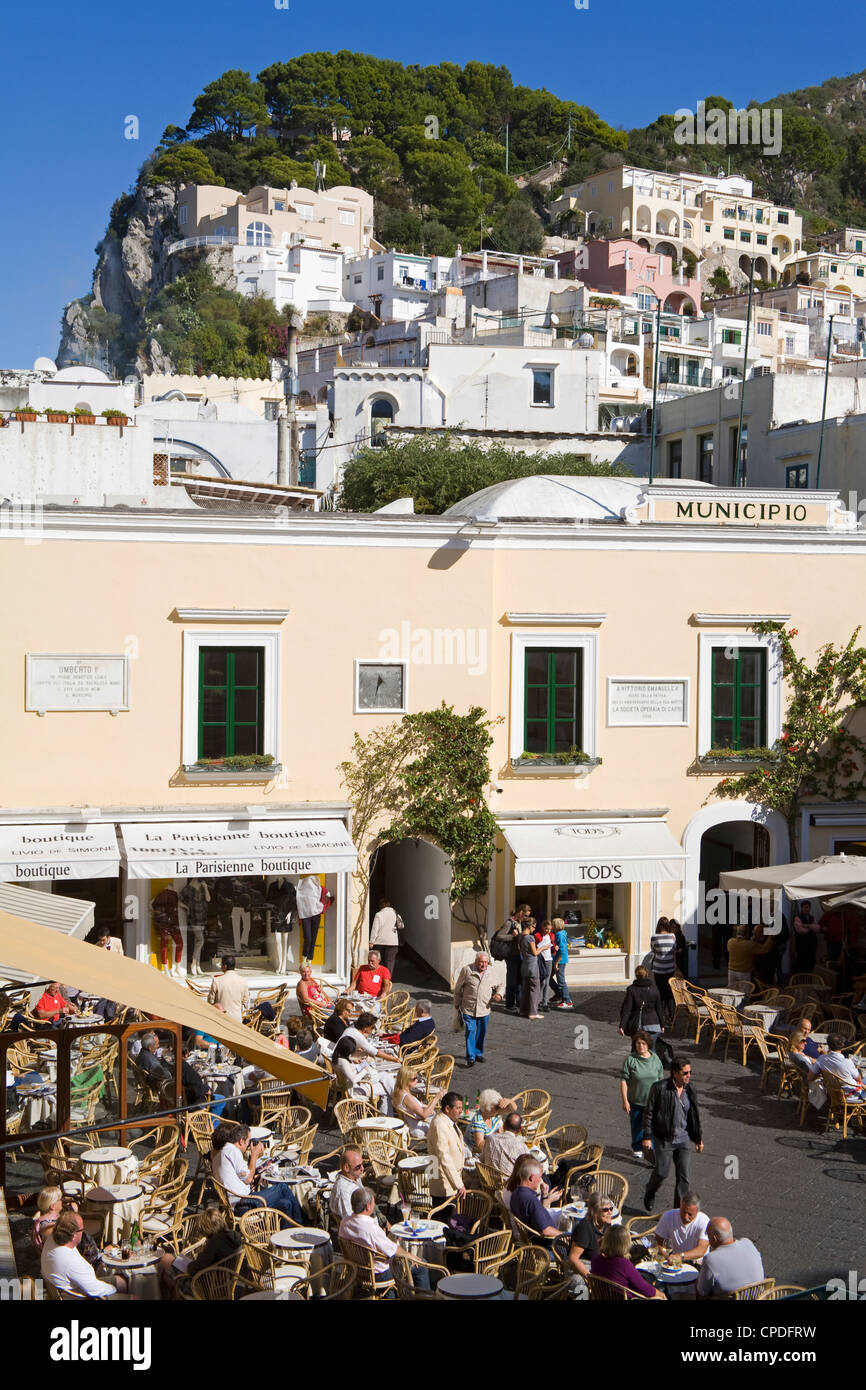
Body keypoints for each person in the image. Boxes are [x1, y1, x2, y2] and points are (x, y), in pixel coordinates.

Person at [642, 1057, 703, 1212]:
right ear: (675, 1073)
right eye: (685, 1073)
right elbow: (648, 1113)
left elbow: (694, 1115)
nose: (688, 1076)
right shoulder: (659, 1088)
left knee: (684, 1177)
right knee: (662, 1172)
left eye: (690, 1072)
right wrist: (647, 1137)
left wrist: (697, 1138)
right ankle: (650, 1190)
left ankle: (678, 1212)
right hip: (664, 1138)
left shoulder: (690, 1089)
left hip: (683, 1139)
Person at [211, 1122, 305, 1223]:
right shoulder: (232, 1151)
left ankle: (285, 1234)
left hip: (236, 1203)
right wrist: (254, 1155)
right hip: (243, 1204)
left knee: (286, 1204)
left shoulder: (219, 1156)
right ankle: (300, 1223)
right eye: (248, 1142)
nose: (248, 1145)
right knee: (282, 1188)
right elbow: (248, 1179)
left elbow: (240, 1178)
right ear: (241, 1141)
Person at [339, 1187, 427, 1290]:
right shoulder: (371, 1228)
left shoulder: (344, 1222)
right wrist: (410, 1256)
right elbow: (394, 1250)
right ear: (368, 1207)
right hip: (378, 1274)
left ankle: (392, 1293)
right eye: (373, 1203)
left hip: (356, 1270)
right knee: (421, 1266)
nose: (374, 1205)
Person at [40, 1211, 122, 1298]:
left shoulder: (51, 1239)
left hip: (78, 1285)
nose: (83, 1232)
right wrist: (114, 1289)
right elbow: (95, 1290)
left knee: (122, 1281)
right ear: (74, 1235)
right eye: (82, 1229)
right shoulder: (71, 1262)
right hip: (85, 1294)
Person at [620, 1030, 664, 1160]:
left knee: (652, 1126)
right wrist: (625, 1101)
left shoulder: (655, 1058)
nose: (641, 1046)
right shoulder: (630, 1060)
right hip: (636, 1100)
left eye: (643, 1043)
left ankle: (651, 1148)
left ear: (648, 1044)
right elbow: (624, 1081)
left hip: (653, 1101)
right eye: (638, 1043)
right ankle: (638, 1147)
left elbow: (660, 1078)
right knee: (637, 1125)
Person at [590, 1224, 665, 1300]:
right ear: (625, 1244)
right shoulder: (623, 1264)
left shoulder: (596, 1260)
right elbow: (647, 1291)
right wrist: (661, 1294)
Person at [453, 951, 502, 1067]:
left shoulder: (491, 971)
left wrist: (499, 994)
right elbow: (458, 988)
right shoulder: (467, 970)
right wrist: (456, 1002)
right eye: (481, 962)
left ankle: (478, 1053)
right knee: (470, 1030)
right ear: (476, 961)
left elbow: (501, 984)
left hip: (484, 1008)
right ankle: (470, 1057)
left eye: (486, 962)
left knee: (481, 1032)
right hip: (469, 1008)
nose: (483, 965)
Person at [696, 1217, 764, 1298]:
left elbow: (702, 1292)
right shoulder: (748, 1243)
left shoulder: (711, 1259)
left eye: (708, 1235)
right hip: (759, 1296)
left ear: (714, 1238)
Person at [509, 1156, 561, 1244]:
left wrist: (544, 1196)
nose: (541, 1180)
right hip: (548, 1244)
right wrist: (565, 1235)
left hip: (532, 1238)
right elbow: (546, 1231)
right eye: (540, 1177)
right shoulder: (531, 1200)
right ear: (531, 1178)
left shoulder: (516, 1193)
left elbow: (536, 1214)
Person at [427, 1092, 467, 1204]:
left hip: (450, 1180)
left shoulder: (448, 1121)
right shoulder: (439, 1125)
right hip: (443, 1182)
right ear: (447, 1109)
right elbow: (443, 1156)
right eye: (458, 1108)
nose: (461, 1111)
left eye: (461, 1108)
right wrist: (458, 1184)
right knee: (444, 1217)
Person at [332, 1034, 391, 1107]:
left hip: (349, 1087)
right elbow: (353, 1079)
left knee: (384, 1076)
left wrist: (355, 1061)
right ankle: (399, 1098)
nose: (352, 1054)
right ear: (346, 1051)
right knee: (386, 1089)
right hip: (353, 1091)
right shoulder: (343, 1062)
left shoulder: (337, 1058)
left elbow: (347, 1066)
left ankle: (386, 1113)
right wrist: (365, 1070)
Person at [568, 1192, 617, 1279]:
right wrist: (591, 1279)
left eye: (611, 1208)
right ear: (594, 1211)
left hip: (600, 1264)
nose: (609, 1212)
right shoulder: (584, 1228)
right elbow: (573, 1259)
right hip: (583, 1267)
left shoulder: (605, 1225)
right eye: (605, 1210)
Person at [490, 905, 527, 1013]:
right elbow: (499, 936)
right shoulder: (509, 923)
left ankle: (519, 1002)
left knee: (518, 979)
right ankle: (509, 1004)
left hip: (518, 954)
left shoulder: (519, 923)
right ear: (520, 912)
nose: (525, 918)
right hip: (511, 955)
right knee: (512, 980)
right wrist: (513, 936)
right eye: (525, 915)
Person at [654, 1193, 711, 1262]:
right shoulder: (668, 1216)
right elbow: (658, 1241)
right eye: (683, 1212)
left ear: (697, 1211)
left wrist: (680, 1256)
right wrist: (666, 1255)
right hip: (675, 1259)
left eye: (690, 1214)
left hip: (697, 1261)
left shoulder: (704, 1221)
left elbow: (701, 1250)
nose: (685, 1217)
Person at [618, 967, 664, 1050]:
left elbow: (627, 1009)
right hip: (653, 1024)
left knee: (636, 1049)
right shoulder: (654, 989)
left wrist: (622, 1026)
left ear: (636, 975)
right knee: (651, 1050)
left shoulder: (632, 990)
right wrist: (662, 1024)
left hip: (637, 1025)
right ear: (647, 974)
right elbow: (659, 1008)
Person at [392, 1064, 442, 1138]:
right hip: (419, 1127)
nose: (417, 1080)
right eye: (414, 1079)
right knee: (446, 1124)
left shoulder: (399, 1092)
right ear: (406, 1080)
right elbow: (423, 1115)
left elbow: (414, 1108)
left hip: (412, 1123)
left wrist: (428, 1108)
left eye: (417, 1077)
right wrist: (436, 1098)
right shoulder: (407, 1097)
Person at [482, 1110, 528, 1180]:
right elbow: (527, 1169)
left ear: (504, 1125)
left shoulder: (490, 1138)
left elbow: (482, 1159)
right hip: (509, 1186)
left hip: (489, 1181)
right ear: (520, 1130)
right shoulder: (521, 1146)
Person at [726, 923, 773, 990]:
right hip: (744, 972)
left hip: (731, 971)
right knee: (744, 993)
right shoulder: (750, 945)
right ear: (747, 934)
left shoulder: (730, 942)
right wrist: (770, 938)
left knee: (732, 991)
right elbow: (764, 949)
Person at [648, 917, 678, 1025]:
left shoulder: (654, 937)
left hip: (658, 969)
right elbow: (674, 950)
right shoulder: (673, 936)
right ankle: (671, 1017)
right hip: (670, 968)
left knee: (660, 993)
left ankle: (661, 1017)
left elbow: (653, 950)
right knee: (669, 993)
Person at [817, 1033, 865, 1098]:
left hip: (833, 1094)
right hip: (851, 1095)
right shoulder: (847, 1062)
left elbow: (811, 1077)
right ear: (842, 1045)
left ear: (828, 1045)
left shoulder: (821, 1059)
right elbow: (859, 1078)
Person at [468, 1088, 516, 1153]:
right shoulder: (478, 1121)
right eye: (495, 1108)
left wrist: (509, 1101)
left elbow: (513, 1109)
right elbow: (480, 1146)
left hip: (496, 1147)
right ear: (485, 1108)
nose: (498, 1110)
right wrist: (496, 1136)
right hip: (483, 1154)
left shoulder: (495, 1113)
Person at [329, 1147, 367, 1223]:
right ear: (346, 1168)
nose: (362, 1169)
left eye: (362, 1164)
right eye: (358, 1166)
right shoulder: (343, 1190)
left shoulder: (355, 1176)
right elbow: (349, 1219)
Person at [207, 955, 249, 1022]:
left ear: (225, 966)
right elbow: (246, 1001)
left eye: (221, 964)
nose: (220, 966)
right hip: (237, 1020)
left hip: (221, 1020)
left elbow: (210, 1002)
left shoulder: (217, 980)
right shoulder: (243, 980)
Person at [369, 896, 402, 977]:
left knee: (380, 961)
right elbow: (401, 925)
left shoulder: (379, 914)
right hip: (392, 942)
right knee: (390, 962)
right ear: (389, 904)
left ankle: (379, 979)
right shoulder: (395, 913)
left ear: (380, 905)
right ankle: (387, 981)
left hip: (380, 942)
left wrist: (371, 941)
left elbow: (375, 929)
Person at [519, 919, 543, 1020]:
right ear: (530, 926)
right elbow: (535, 952)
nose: (534, 929)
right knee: (534, 988)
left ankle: (523, 1010)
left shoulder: (520, 936)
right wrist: (543, 948)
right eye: (534, 927)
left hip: (524, 964)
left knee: (525, 989)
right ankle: (533, 1012)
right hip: (532, 965)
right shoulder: (530, 938)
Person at [549, 917, 573, 1009]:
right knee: (548, 977)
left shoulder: (559, 935)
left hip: (560, 961)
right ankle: (559, 994)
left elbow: (562, 951)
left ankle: (567, 1000)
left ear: (556, 926)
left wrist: (556, 963)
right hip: (558, 960)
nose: (551, 926)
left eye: (552, 924)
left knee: (561, 981)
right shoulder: (561, 933)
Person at [31, 1186, 63, 1251]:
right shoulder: (47, 1224)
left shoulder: (41, 1219)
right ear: (53, 1206)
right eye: (60, 1199)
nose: (62, 1201)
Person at [792, 900, 820, 973]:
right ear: (802, 908)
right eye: (805, 907)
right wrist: (812, 927)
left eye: (808, 907)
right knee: (802, 963)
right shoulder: (797, 918)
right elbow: (801, 931)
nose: (807, 909)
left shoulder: (812, 917)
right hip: (802, 945)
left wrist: (807, 926)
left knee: (811, 963)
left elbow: (817, 928)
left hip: (812, 945)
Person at [534, 920, 555, 1011]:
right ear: (543, 927)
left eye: (550, 929)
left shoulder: (552, 936)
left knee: (546, 982)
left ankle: (545, 1003)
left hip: (549, 960)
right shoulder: (537, 935)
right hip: (540, 960)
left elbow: (553, 947)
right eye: (546, 929)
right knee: (541, 981)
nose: (548, 931)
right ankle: (536, 1001)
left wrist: (555, 948)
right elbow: (534, 947)